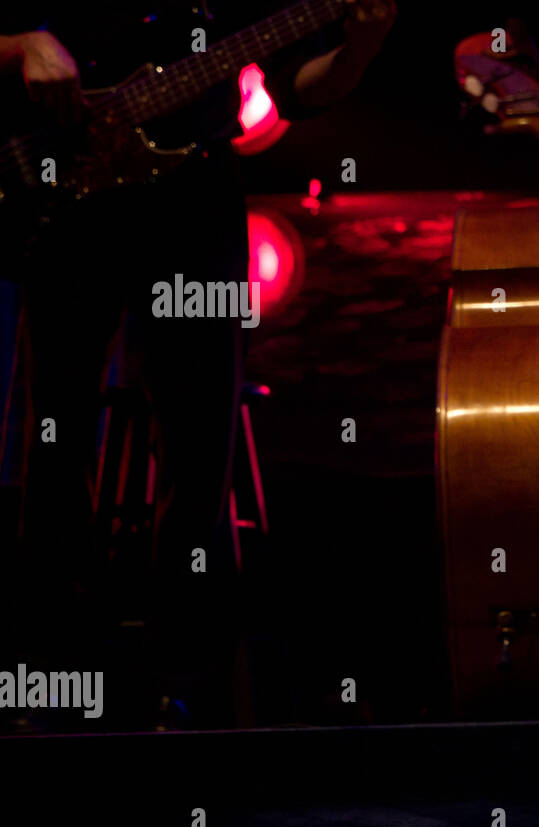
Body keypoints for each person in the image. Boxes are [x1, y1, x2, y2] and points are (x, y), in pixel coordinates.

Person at [0, 0, 395, 729]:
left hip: (192, 201)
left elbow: (296, 86)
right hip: (65, 200)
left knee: (199, 448)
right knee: (55, 443)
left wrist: (359, 49)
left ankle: (181, 691)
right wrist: (21, 43)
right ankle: (50, 687)